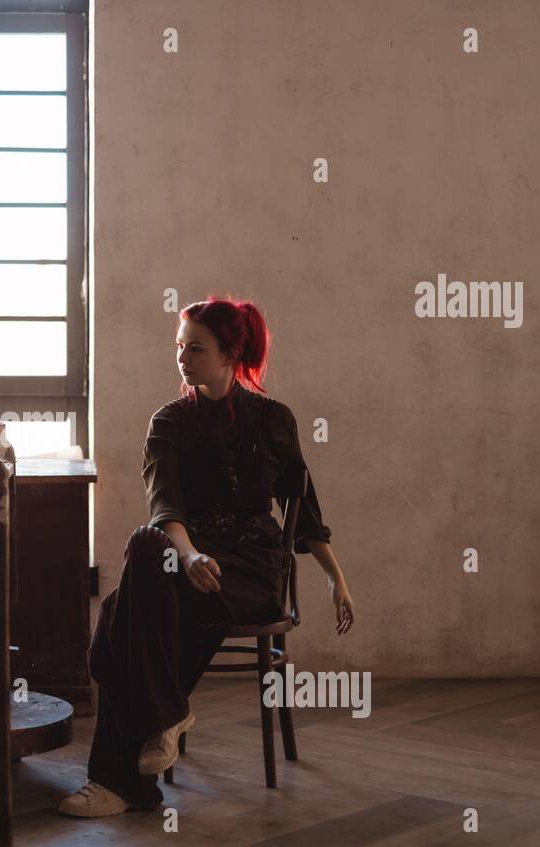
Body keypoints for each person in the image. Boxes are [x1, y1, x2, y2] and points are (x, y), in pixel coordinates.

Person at [58, 296, 355, 817]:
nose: (183, 358)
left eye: (196, 348)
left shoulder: (274, 420)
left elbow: (303, 511)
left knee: (118, 619)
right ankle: (166, 715)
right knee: (147, 544)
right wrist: (191, 557)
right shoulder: (169, 422)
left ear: (230, 353)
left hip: (253, 572)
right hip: (191, 561)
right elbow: (164, 506)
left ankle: (116, 782)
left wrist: (336, 578)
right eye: (179, 347)